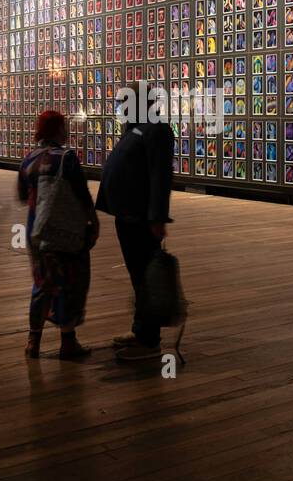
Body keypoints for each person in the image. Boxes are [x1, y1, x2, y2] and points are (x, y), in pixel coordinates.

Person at [96, 83, 175, 361]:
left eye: (125, 101)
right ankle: (141, 329)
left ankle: (149, 341)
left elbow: (159, 176)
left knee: (146, 278)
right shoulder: (137, 127)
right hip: (127, 215)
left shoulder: (157, 129)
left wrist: (156, 217)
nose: (121, 107)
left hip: (142, 218)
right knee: (138, 277)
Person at [17, 110, 99, 360]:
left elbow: (22, 196)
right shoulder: (67, 158)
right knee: (71, 282)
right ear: (57, 130)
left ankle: (34, 341)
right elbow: (82, 194)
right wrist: (92, 220)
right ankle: (68, 341)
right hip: (65, 231)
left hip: (36, 231)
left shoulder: (29, 159)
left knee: (42, 283)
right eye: (63, 126)